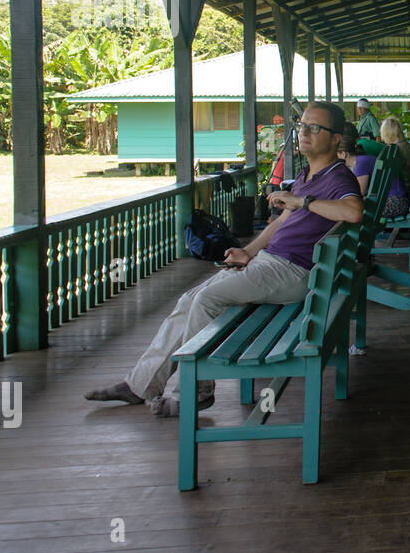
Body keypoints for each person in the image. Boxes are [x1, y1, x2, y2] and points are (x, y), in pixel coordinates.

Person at [84, 102, 363, 417]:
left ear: (335, 138)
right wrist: (248, 251)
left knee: (206, 299)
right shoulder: (306, 174)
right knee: (189, 300)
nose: (304, 132)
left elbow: (353, 211)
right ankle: (139, 384)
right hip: (270, 263)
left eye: (316, 128)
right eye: (302, 126)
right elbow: (281, 222)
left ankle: (193, 392)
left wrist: (304, 201)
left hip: (292, 271)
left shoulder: (339, 178)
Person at [341, 117, 410, 218]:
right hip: (406, 191)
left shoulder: (364, 151)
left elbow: (362, 186)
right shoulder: (400, 147)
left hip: (398, 194)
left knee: (354, 209)